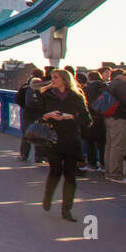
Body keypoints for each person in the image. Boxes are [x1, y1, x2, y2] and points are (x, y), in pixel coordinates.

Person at [38, 69, 91, 221]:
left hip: (71, 140)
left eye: (56, 77)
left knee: (70, 175)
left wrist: (71, 117)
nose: (52, 80)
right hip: (52, 138)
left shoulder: (76, 96)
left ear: (65, 80)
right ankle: (48, 198)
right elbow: (36, 116)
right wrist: (47, 116)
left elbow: (87, 120)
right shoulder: (45, 95)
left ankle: (66, 210)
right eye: (52, 77)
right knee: (55, 171)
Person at [102, 67, 126, 181]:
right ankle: (115, 174)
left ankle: (109, 172)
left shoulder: (113, 83)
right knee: (118, 147)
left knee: (111, 146)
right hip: (119, 118)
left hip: (110, 117)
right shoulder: (122, 85)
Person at [81, 70, 107, 174]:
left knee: (90, 142)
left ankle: (92, 164)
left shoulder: (86, 89)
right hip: (102, 118)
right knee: (103, 143)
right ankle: (103, 164)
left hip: (90, 118)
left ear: (90, 78)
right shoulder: (104, 88)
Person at [17, 70, 46, 163]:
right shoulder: (44, 87)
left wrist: (25, 106)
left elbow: (18, 99)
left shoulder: (25, 86)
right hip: (40, 114)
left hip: (28, 114)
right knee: (40, 135)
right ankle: (39, 157)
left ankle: (24, 155)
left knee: (26, 135)